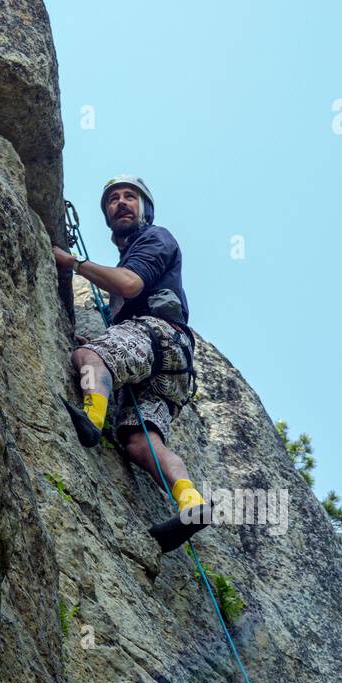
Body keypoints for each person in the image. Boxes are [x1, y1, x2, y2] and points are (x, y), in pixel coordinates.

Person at [52, 175, 211, 553]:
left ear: (145, 209)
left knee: (88, 358)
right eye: (112, 200)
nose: (121, 202)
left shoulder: (156, 239)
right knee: (140, 440)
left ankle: (91, 421)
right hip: (171, 366)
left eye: (130, 197)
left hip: (159, 336)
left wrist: (74, 262)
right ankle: (191, 502)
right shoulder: (136, 250)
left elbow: (128, 285)